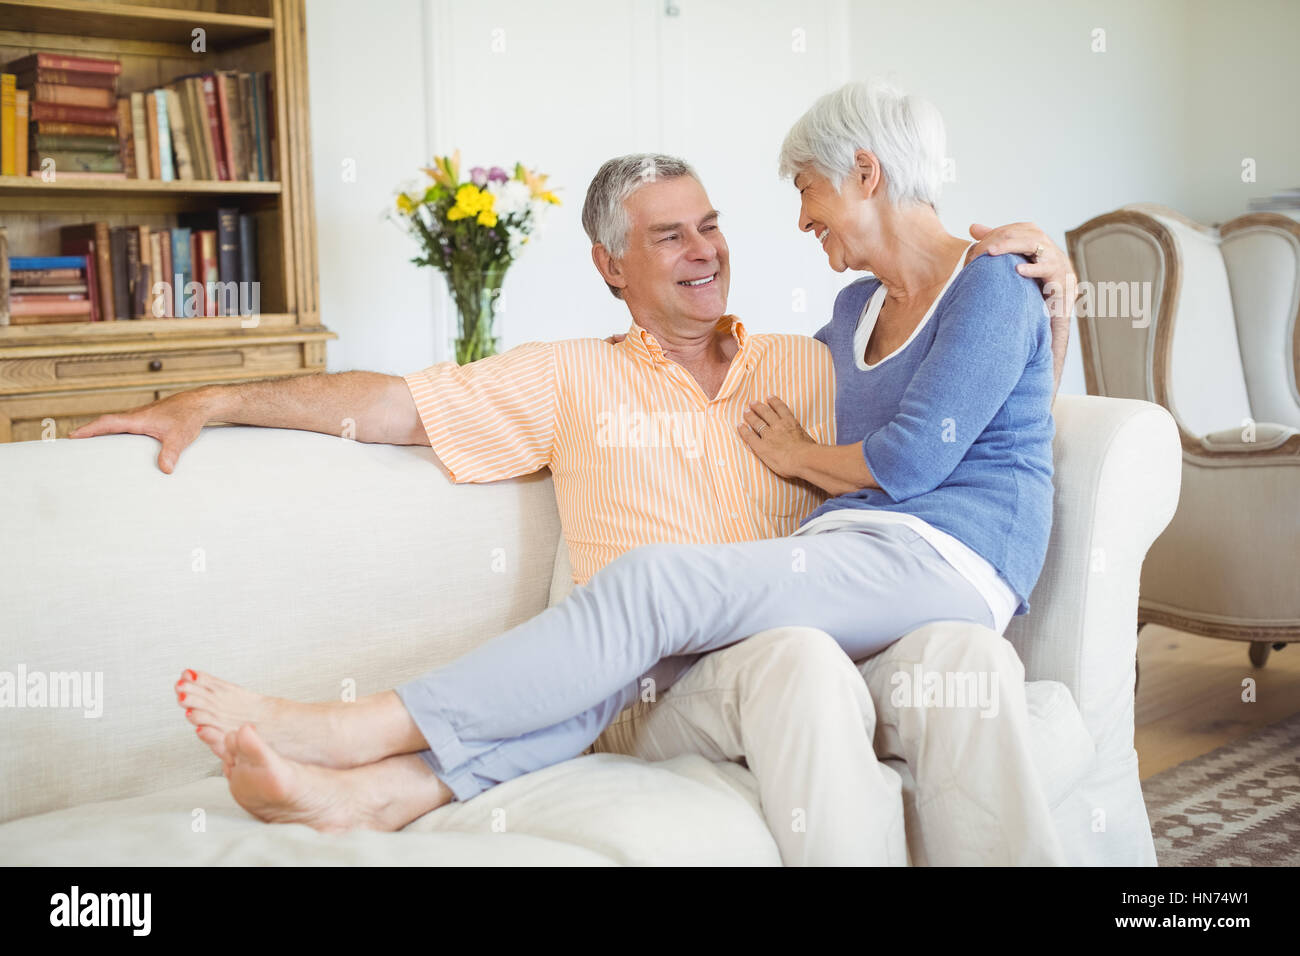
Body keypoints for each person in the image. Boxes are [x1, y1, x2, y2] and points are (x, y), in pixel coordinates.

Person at [72, 87, 1074, 866]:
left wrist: (1053, 287)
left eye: (710, 223)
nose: (704, 249)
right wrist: (214, 398)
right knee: (763, 639)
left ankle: (387, 779)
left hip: (807, 624)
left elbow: (990, 404)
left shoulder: (807, 357)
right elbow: (388, 406)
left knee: (962, 661)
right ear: (608, 265)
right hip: (646, 676)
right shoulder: (563, 374)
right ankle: (365, 749)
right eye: (666, 234)